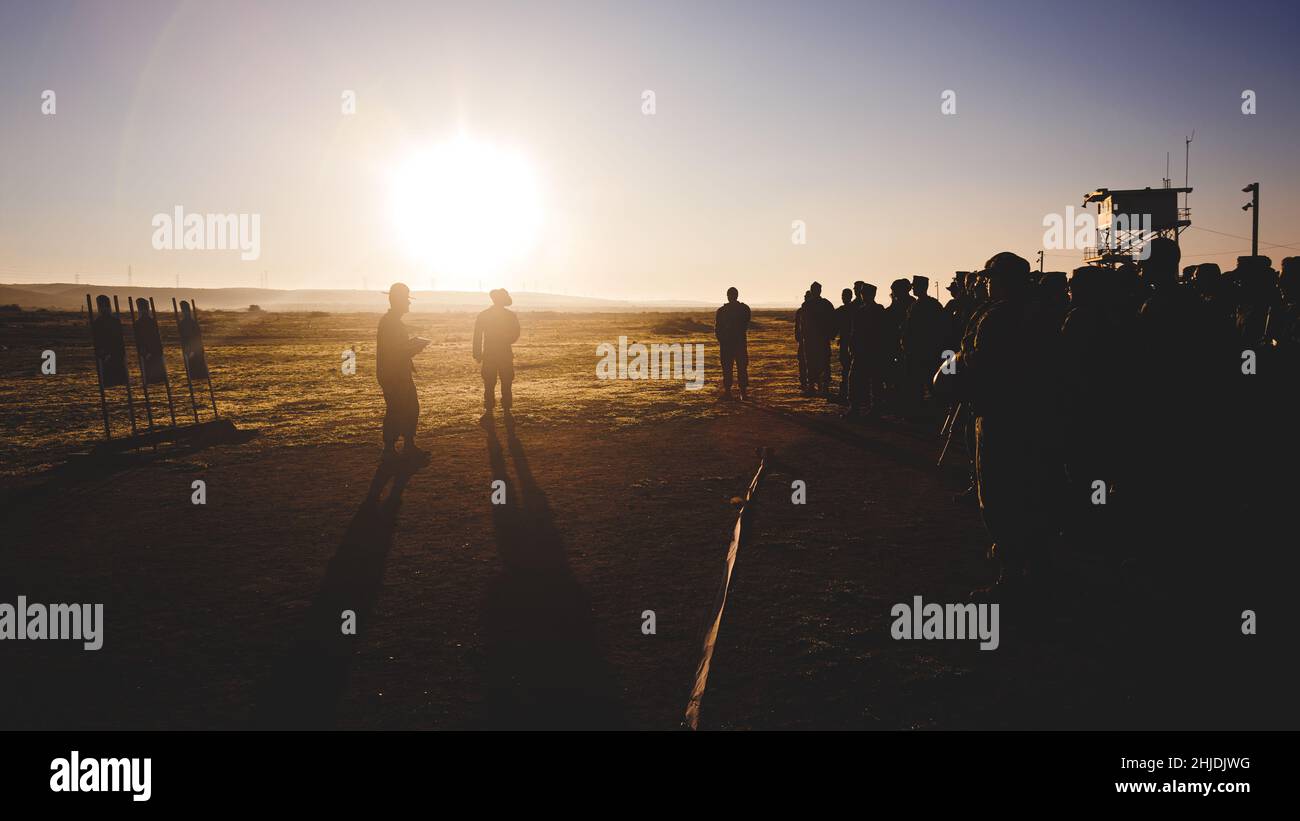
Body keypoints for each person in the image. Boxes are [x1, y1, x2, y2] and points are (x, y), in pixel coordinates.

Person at [376, 282, 428, 460]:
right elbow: (395, 351)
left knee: (409, 407)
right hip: (394, 374)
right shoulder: (391, 323)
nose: (409, 303)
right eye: (406, 300)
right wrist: (414, 348)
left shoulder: (391, 322)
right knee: (397, 409)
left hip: (396, 372)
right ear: (398, 301)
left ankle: (405, 445)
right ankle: (391, 449)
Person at [473, 288, 521, 423]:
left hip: (490, 354)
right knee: (504, 382)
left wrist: (477, 353)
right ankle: (506, 409)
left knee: (490, 382)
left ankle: (490, 410)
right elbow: (515, 333)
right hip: (503, 353)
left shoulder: (484, 315)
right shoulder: (510, 315)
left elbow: (477, 336)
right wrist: (506, 339)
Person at [846, 282, 886, 417]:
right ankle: (857, 408)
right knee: (860, 381)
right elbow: (854, 332)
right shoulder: (862, 311)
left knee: (872, 382)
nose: (862, 295)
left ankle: (870, 409)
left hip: (871, 351)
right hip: (864, 351)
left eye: (863, 293)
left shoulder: (876, 311)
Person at [715, 286, 751, 400]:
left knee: (728, 367)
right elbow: (746, 323)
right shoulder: (744, 309)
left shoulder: (722, 311)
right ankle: (742, 392)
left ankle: (729, 392)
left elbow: (717, 329)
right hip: (738, 343)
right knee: (740, 367)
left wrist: (722, 340)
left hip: (728, 344)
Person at [804, 282, 837, 396]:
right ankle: (814, 386)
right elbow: (804, 323)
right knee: (813, 363)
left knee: (822, 363)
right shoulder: (809, 305)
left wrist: (831, 334)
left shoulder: (823, 304)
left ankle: (822, 387)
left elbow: (833, 321)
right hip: (812, 340)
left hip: (819, 339)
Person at [90, 295, 129, 387]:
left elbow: (118, 340)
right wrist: (103, 353)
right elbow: (98, 341)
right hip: (107, 354)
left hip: (115, 354)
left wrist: (111, 353)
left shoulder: (113, 322)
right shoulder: (99, 323)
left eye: (104, 306)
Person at [834, 288, 855, 400]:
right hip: (846, 342)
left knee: (847, 368)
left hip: (850, 343)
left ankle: (845, 394)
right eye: (843, 295)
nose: (843, 298)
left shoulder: (845, 310)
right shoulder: (852, 309)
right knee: (846, 368)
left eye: (844, 296)